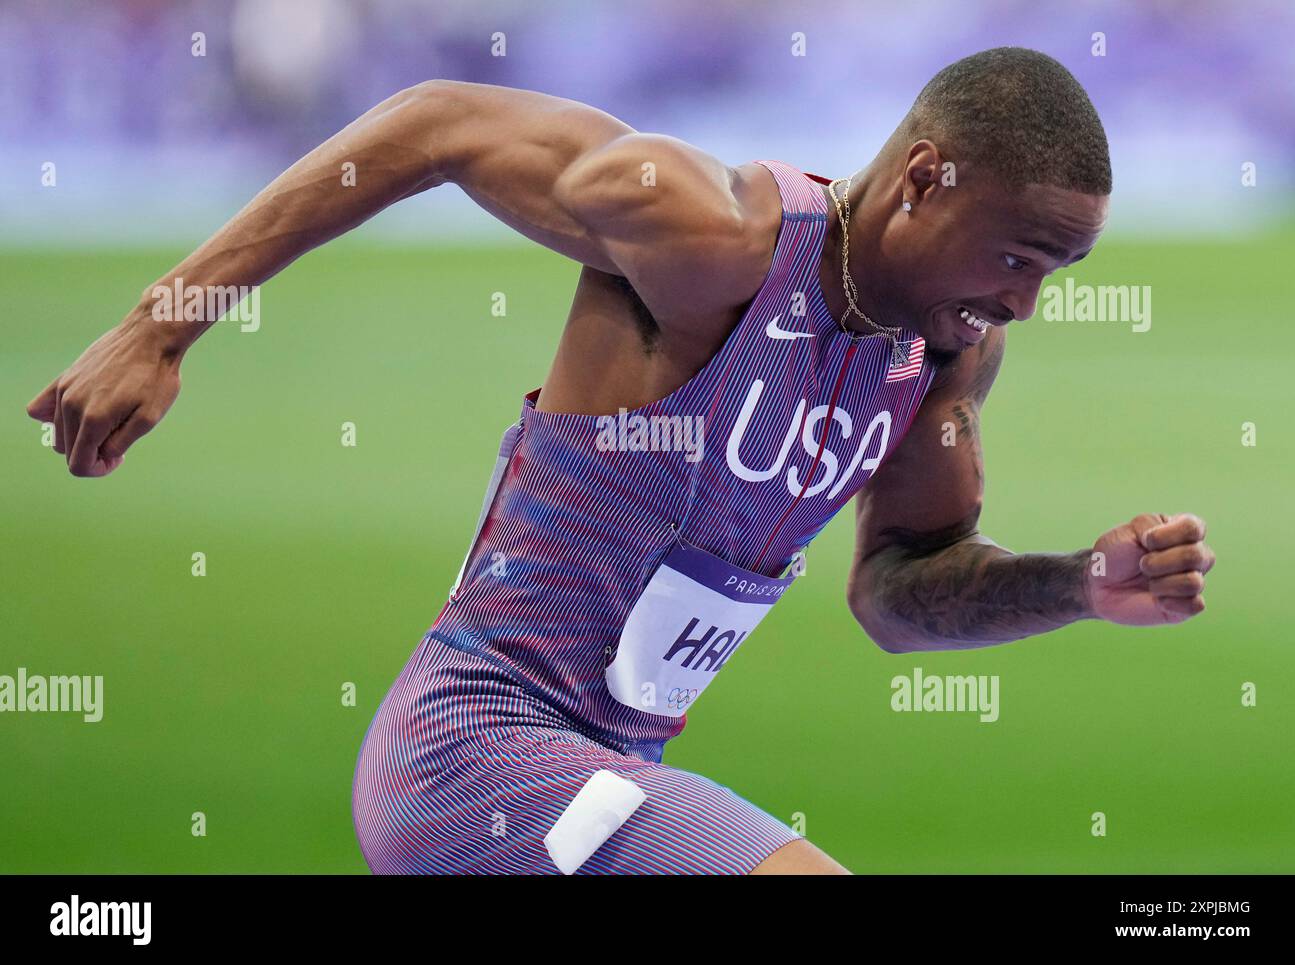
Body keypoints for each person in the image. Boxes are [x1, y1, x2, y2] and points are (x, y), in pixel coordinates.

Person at [27, 47, 1215, 874]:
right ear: (920, 180)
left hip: (607, 772)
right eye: (1017, 256)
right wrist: (160, 322)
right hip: (477, 749)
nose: (1023, 301)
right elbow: (437, 120)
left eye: (1052, 275)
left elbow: (899, 592)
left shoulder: (943, 359)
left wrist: (1077, 585)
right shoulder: (712, 238)